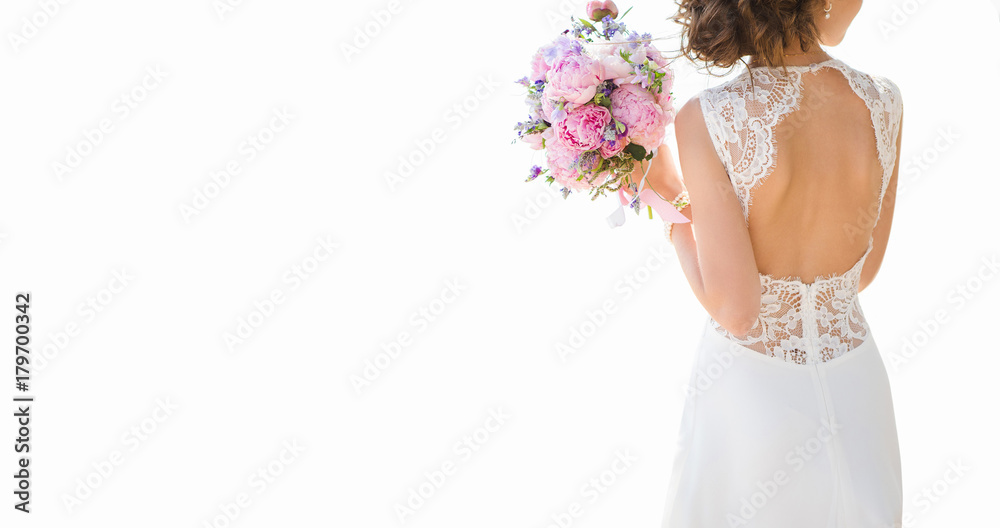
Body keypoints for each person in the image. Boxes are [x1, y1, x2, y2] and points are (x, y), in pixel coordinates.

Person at [627, 0, 905, 525]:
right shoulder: (883, 100)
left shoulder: (709, 115)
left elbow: (736, 311)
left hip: (752, 398)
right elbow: (862, 272)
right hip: (858, 388)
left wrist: (666, 200)